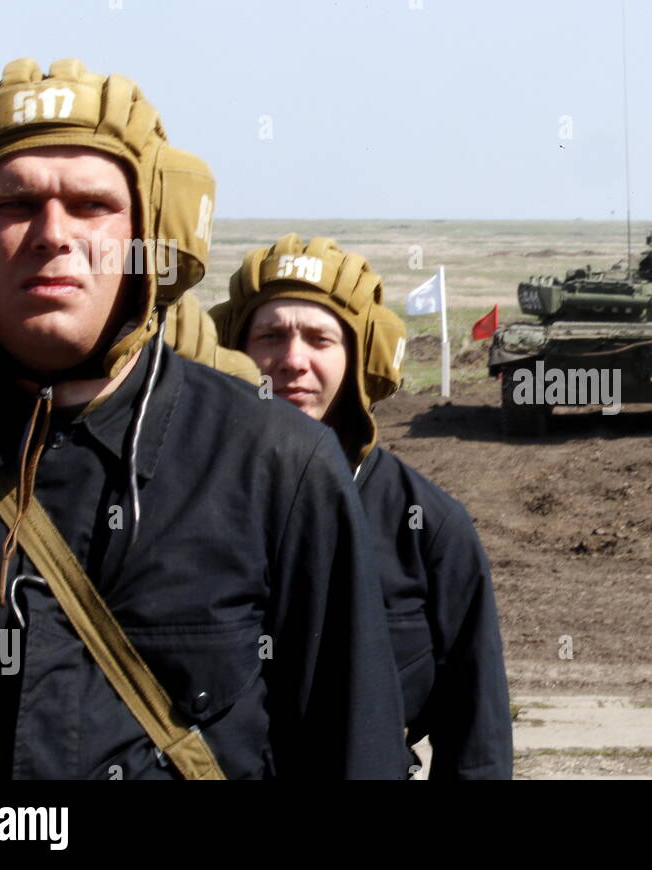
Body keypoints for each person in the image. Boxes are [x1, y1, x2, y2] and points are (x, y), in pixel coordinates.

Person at [0, 59, 408, 779]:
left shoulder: (274, 463)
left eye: (91, 206)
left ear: (151, 233)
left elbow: (353, 752)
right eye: (13, 204)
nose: (53, 234)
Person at [210, 235, 513, 779]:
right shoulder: (185, 503)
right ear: (235, 350)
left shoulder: (427, 528)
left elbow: (477, 743)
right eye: (270, 335)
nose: (292, 361)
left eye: (320, 338)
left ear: (357, 359)